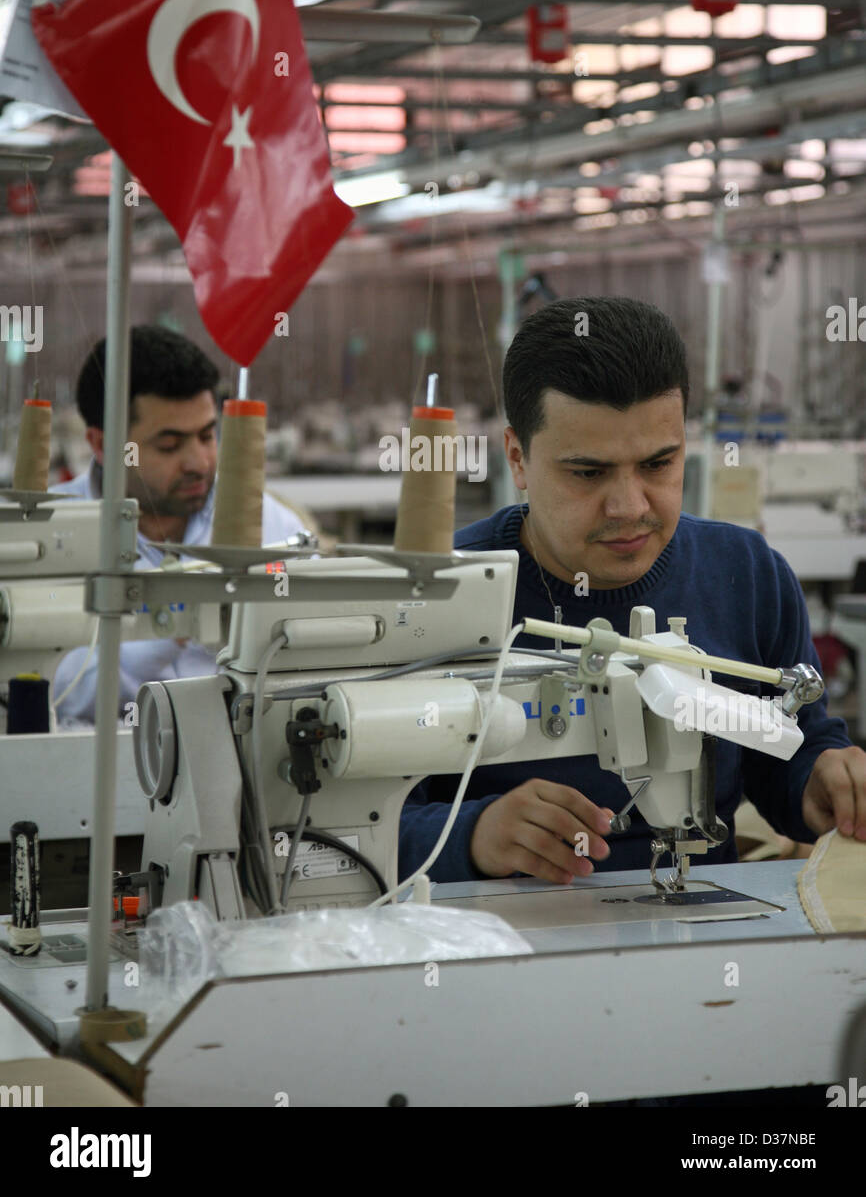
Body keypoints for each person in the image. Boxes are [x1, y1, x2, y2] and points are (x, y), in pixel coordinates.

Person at [399, 297, 865, 885]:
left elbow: (791, 754)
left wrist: (822, 781)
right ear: (518, 457)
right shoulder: (430, 594)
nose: (630, 507)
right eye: (588, 473)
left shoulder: (746, 573)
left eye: (658, 464)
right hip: (493, 946)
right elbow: (343, 830)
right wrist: (473, 834)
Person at [53, 325, 304, 723]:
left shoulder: (270, 526)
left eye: (207, 436)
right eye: (169, 446)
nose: (199, 463)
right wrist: (168, 629)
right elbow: (50, 694)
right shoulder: (51, 537)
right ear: (103, 445)